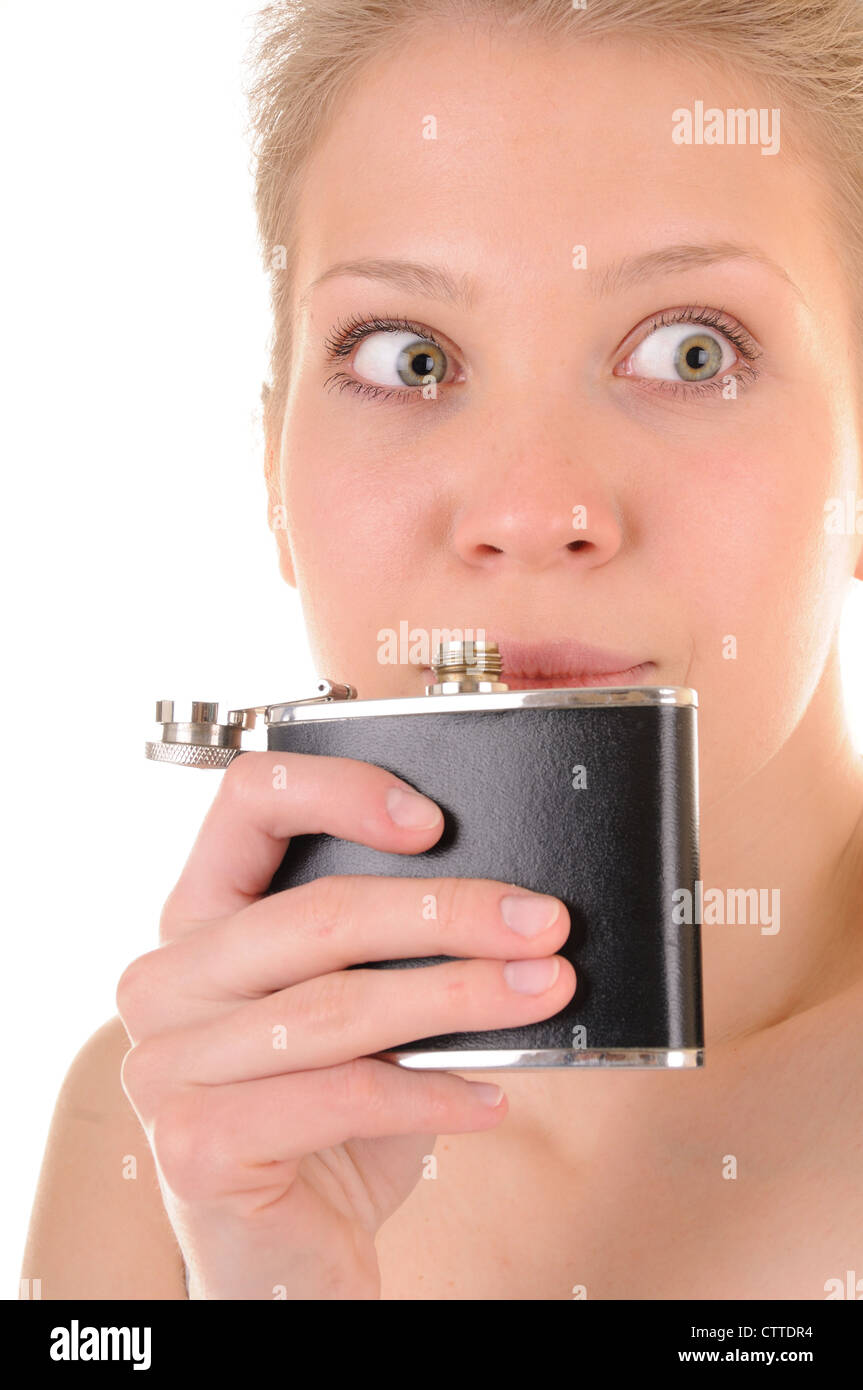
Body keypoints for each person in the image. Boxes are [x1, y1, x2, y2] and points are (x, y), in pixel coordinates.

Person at [22, 0, 863, 1299]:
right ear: (271, 479)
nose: (530, 509)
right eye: (408, 358)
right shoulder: (170, 1135)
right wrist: (274, 1279)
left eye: (690, 350)